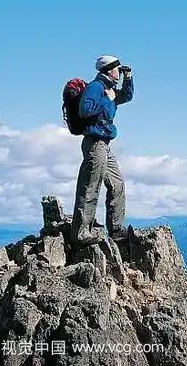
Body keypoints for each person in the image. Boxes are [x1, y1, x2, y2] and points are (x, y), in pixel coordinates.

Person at [71, 55, 134, 245]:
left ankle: (116, 229)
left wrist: (128, 78)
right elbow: (85, 110)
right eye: (118, 70)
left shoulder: (108, 89)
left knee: (117, 184)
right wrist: (107, 100)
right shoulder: (96, 87)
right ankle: (81, 233)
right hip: (94, 143)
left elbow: (126, 96)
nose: (119, 72)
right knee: (91, 186)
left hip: (104, 144)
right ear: (109, 70)